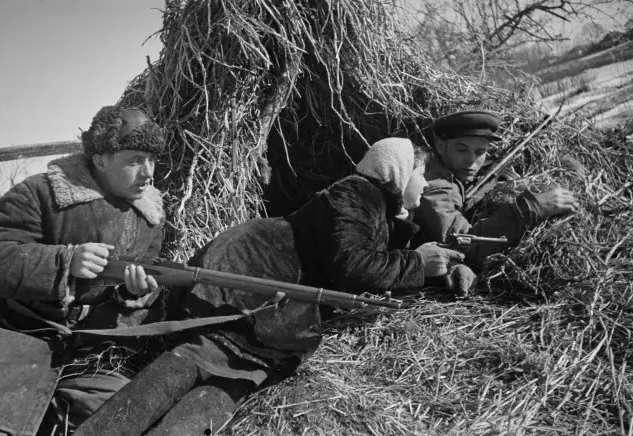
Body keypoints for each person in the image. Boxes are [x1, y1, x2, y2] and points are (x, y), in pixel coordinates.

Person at [73, 137, 467, 436]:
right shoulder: (355, 193)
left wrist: (442, 268)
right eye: (422, 176)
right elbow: (354, 266)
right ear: (399, 170)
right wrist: (417, 263)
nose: (425, 187)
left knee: (241, 374)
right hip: (253, 269)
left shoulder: (373, 204)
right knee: (205, 354)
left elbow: (368, 257)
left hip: (275, 289)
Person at [0, 106, 170, 436]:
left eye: (152, 159)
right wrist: (64, 262)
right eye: (134, 160)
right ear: (101, 158)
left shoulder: (149, 215)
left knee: (126, 419)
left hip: (85, 355)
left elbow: (149, 275)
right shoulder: (42, 192)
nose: (148, 173)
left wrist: (133, 293)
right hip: (9, 337)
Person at [412, 110, 579, 265]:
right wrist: (532, 207)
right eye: (462, 150)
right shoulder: (434, 187)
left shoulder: (448, 168)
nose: (471, 161)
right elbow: (465, 244)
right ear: (441, 146)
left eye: (480, 152)